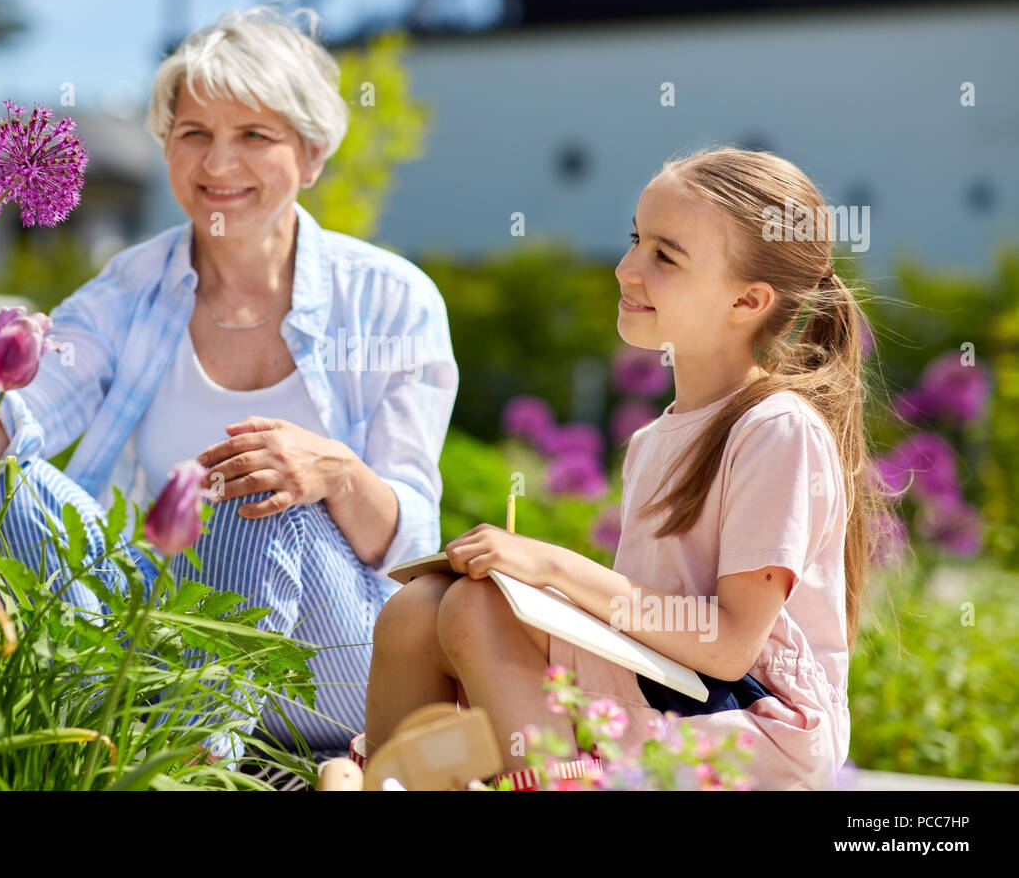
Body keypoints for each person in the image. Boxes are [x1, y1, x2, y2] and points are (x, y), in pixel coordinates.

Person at [0, 5, 458, 769]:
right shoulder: (133, 282)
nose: (218, 164)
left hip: (339, 662)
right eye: (194, 134)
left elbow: (412, 550)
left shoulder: (392, 298)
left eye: (254, 136)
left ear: (311, 156)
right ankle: (110, 730)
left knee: (253, 481)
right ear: (167, 146)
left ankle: (180, 766)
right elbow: (28, 402)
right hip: (160, 635)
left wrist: (333, 472)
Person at [364, 146, 896, 790]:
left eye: (664, 255)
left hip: (752, 724)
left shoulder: (775, 430)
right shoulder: (654, 438)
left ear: (748, 301)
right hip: (670, 689)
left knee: (474, 609)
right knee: (419, 607)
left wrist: (555, 567)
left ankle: (552, 783)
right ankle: (395, 778)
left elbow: (730, 645)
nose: (625, 268)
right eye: (634, 240)